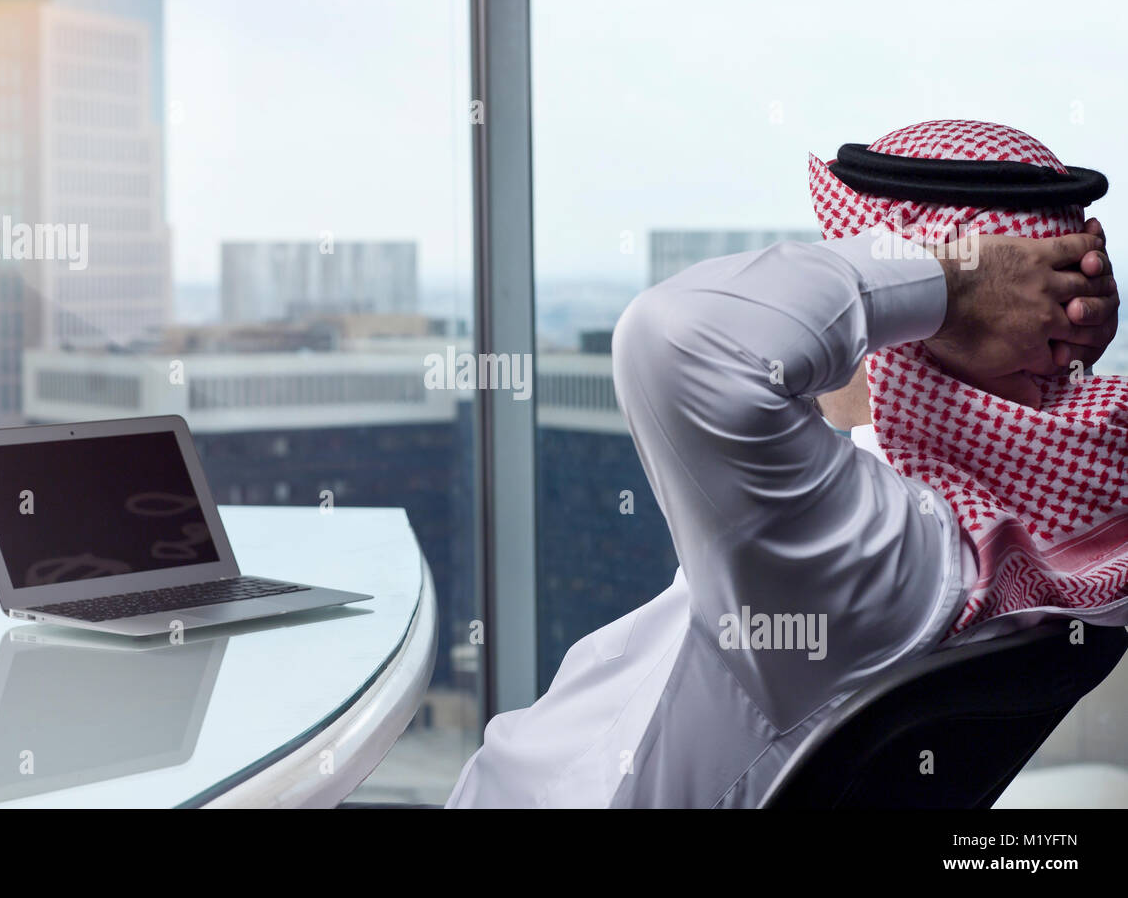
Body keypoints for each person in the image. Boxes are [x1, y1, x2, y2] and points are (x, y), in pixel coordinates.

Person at [446, 120, 1128, 808]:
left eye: (875, 262)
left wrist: (950, 282)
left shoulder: (880, 551)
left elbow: (676, 337)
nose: (856, 318)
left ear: (965, 319)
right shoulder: (1062, 528)